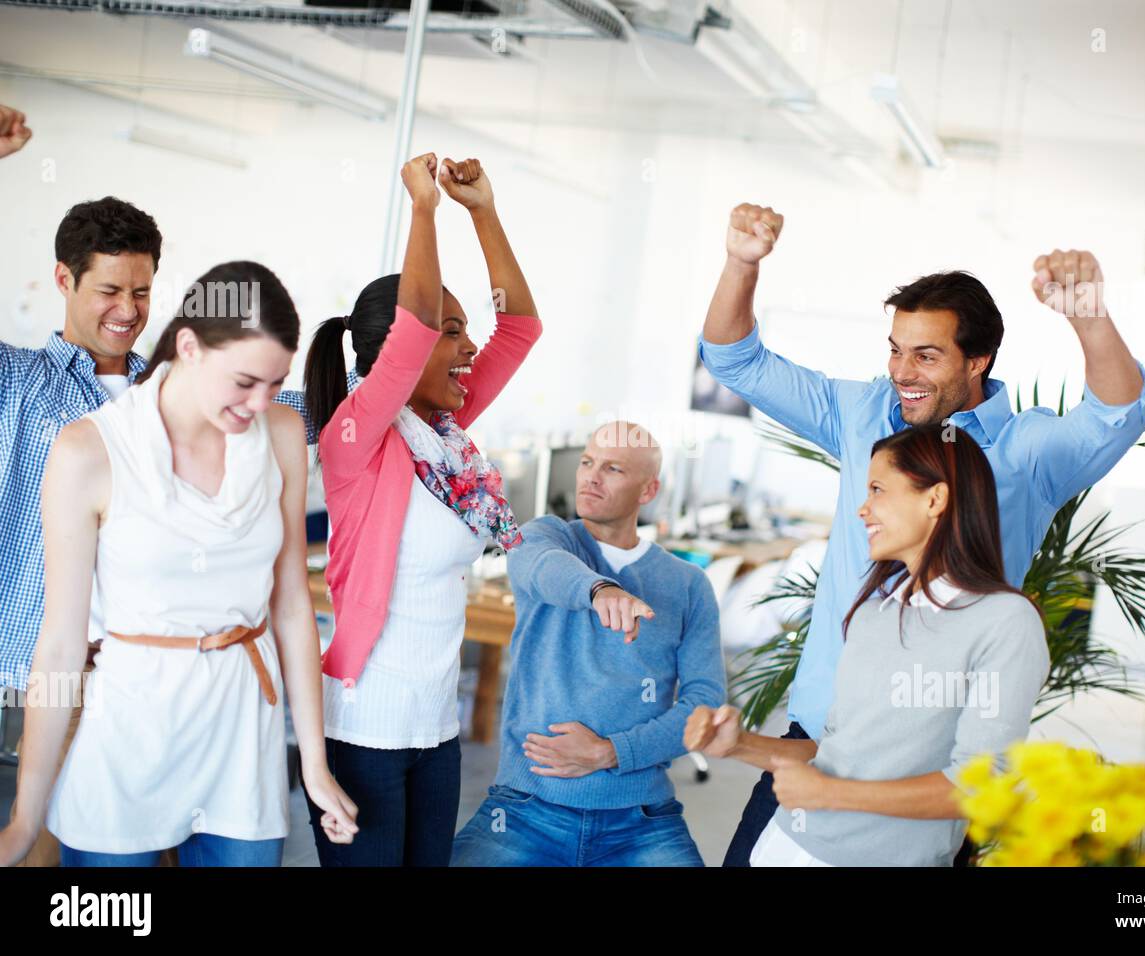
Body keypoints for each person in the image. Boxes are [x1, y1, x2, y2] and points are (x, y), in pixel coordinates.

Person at [699, 202, 1145, 865]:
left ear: (978, 361)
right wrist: (742, 263)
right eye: (896, 350)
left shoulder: (1025, 452)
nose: (902, 372)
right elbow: (735, 360)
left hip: (930, 756)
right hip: (820, 728)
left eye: (927, 355)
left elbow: (1116, 414)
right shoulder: (862, 413)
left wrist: (1087, 316)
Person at [0, 260, 359, 866]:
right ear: (188, 348)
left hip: (242, 735)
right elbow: (59, 644)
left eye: (273, 385)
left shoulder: (278, 433)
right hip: (128, 731)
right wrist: (22, 820)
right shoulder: (90, 449)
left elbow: (293, 608)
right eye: (244, 382)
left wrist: (317, 768)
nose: (258, 402)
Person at [299, 154, 541, 867]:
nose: (469, 349)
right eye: (452, 331)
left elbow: (521, 327)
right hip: (364, 729)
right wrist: (425, 210)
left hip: (436, 731)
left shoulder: (446, 438)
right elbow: (408, 343)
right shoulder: (356, 435)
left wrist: (482, 211)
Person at [686, 424, 1049, 866]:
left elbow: (981, 786)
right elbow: (834, 751)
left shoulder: (1005, 622)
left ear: (935, 499)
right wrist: (738, 744)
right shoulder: (872, 614)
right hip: (784, 846)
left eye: (877, 489)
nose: (863, 509)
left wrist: (833, 793)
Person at [451, 421, 725, 867]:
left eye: (612, 468)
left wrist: (611, 752)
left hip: (640, 818)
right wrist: (600, 591)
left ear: (648, 490)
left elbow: (705, 706)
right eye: (586, 462)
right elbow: (539, 565)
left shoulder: (688, 585)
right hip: (526, 809)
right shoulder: (546, 537)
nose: (591, 477)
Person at [0, 192, 163, 866]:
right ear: (64, 279)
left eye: (143, 290)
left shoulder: (174, 397)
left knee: (130, 857)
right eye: (108, 290)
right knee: (39, 847)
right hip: (37, 669)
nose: (128, 309)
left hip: (139, 670)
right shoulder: (18, 379)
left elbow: (315, 406)